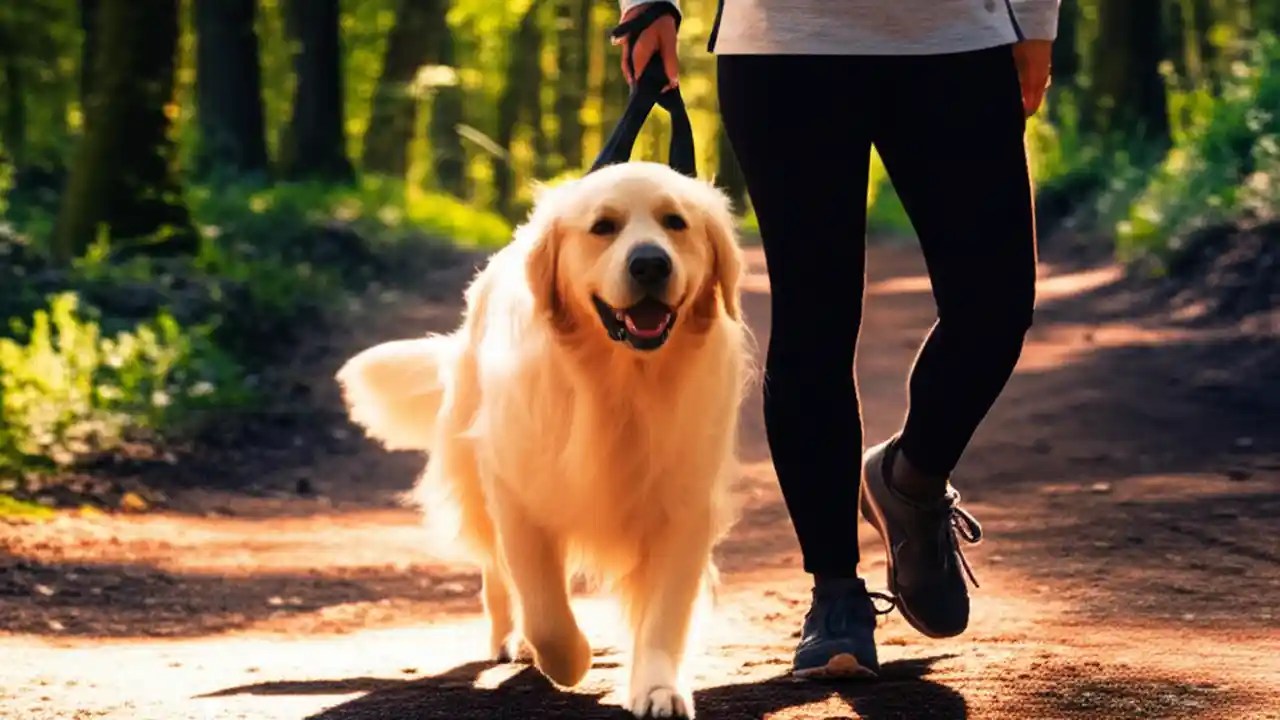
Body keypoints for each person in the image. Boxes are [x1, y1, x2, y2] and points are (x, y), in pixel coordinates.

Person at [615, 0, 1059, 677]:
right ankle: (836, 594)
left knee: (995, 306)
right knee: (813, 318)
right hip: (786, 45)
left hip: (961, 38)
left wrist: (1035, 20)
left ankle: (910, 479)